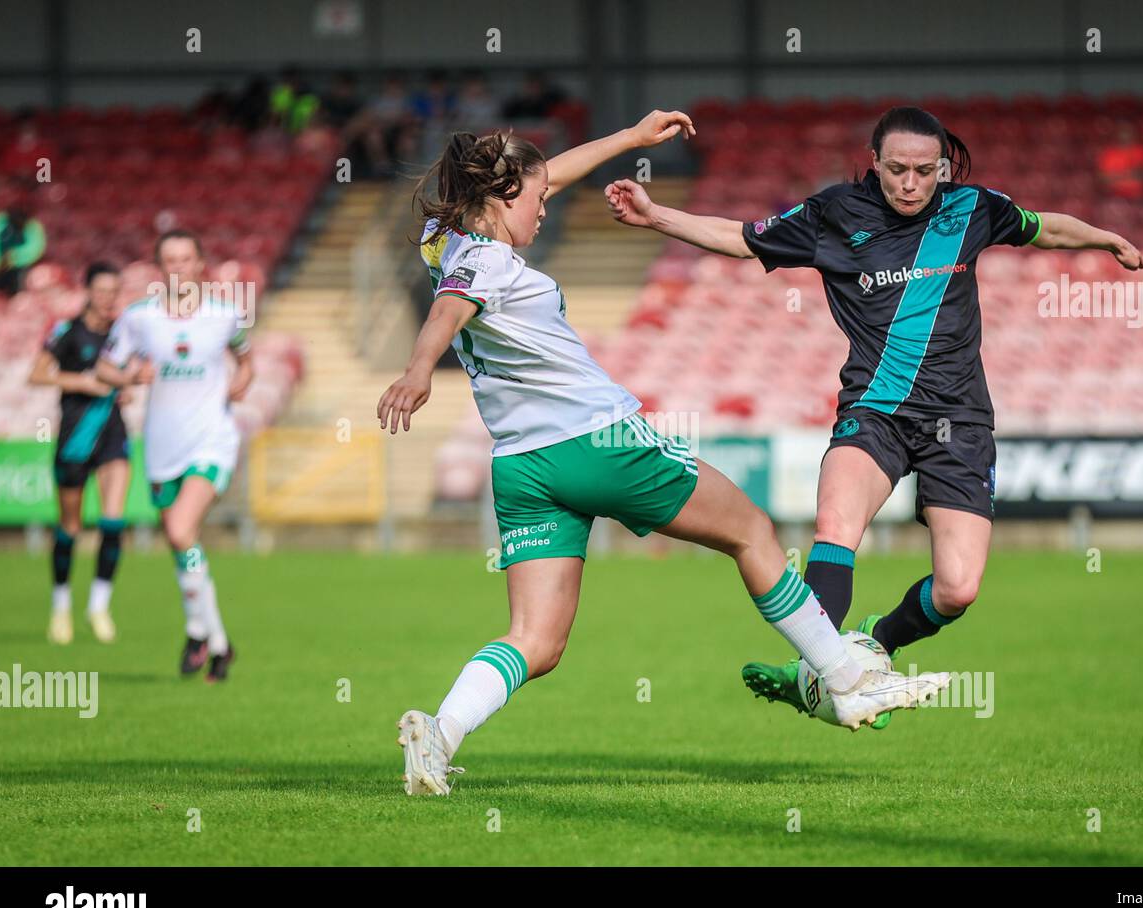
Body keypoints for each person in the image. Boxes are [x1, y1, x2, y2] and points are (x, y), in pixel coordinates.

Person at [377, 113, 953, 796]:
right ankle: (846, 679)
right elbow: (450, 308)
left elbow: (538, 182)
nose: (544, 207)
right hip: (601, 443)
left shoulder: (442, 239)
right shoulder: (490, 262)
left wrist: (628, 139)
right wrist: (418, 369)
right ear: (503, 200)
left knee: (537, 640)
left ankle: (438, 736)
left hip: (524, 468)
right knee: (751, 532)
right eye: (536, 201)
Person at [606, 105, 1143, 725]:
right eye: (896, 170)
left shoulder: (972, 209)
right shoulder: (836, 214)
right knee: (835, 522)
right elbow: (742, 237)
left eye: (923, 170)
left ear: (941, 167)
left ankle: (878, 643)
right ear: (874, 164)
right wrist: (655, 216)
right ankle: (818, 669)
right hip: (876, 411)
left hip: (960, 422)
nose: (910, 183)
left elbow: (1042, 227)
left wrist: (1104, 237)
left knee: (958, 589)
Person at [95, 231, 254, 682]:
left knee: (181, 528)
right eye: (170, 260)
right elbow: (106, 366)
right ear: (159, 267)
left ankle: (202, 635)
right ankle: (213, 639)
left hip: (211, 439)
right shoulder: (139, 318)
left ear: (201, 263)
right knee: (180, 542)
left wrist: (244, 377)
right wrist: (128, 377)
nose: (178, 267)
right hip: (162, 445)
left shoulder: (224, 315)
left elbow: (245, 356)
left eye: (186, 258)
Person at [28, 262, 130, 645]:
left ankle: (99, 606)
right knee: (70, 527)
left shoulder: (122, 333)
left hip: (112, 432)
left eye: (113, 291)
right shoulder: (67, 331)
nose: (108, 299)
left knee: (113, 519)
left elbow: (128, 371)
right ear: (88, 291)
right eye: (102, 290)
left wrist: (126, 386)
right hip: (74, 436)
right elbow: (36, 374)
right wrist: (81, 382)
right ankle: (60, 607)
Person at [0, 199, 47, 296]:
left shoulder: (33, 227)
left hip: (19, 266)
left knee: (18, 284)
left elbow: (35, 248)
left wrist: (13, 257)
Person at [1097, 120, 1143, 200]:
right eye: (1122, 131)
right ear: (1117, 133)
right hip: (1113, 196)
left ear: (1134, 133)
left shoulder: (1142, 152)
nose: (1125, 135)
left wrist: (1115, 176)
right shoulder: (1108, 153)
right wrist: (1130, 173)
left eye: (1128, 131)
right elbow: (1103, 179)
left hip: (1138, 196)